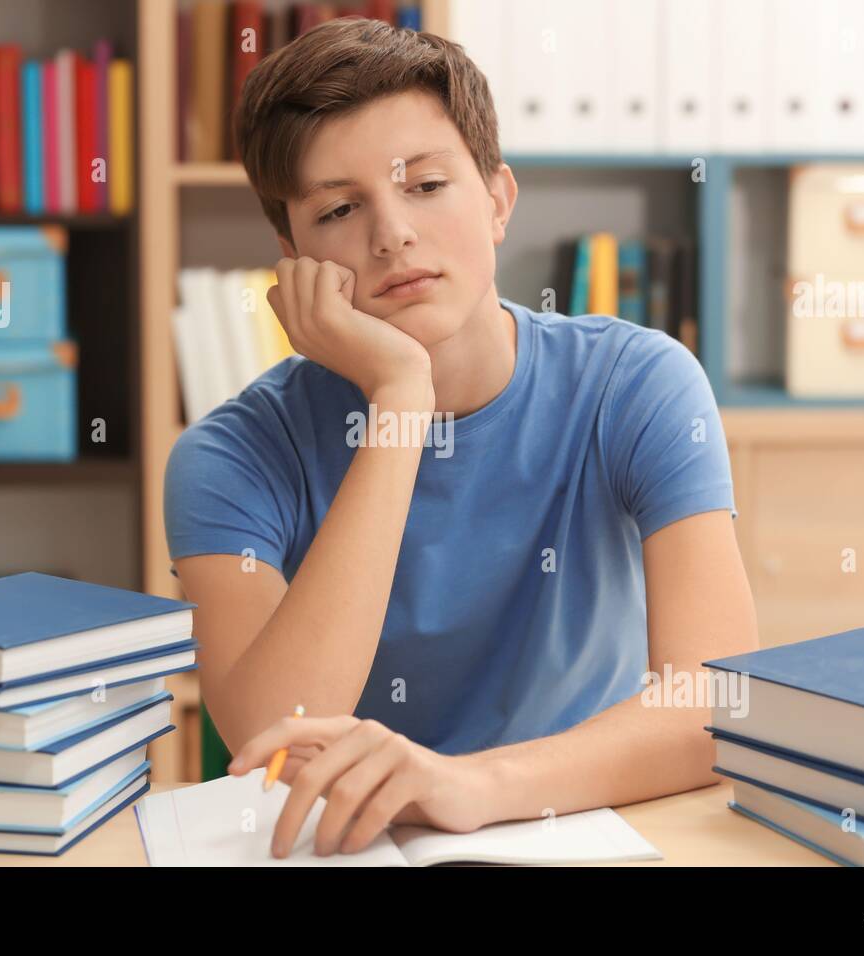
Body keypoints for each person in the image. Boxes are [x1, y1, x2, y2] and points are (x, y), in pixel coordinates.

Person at [164, 17, 758, 858]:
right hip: (352, 849)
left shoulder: (639, 385)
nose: (391, 233)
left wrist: (469, 786)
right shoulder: (228, 457)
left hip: (592, 829)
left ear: (499, 200)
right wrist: (401, 399)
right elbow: (278, 733)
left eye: (427, 186)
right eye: (339, 208)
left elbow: (718, 702)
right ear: (292, 257)